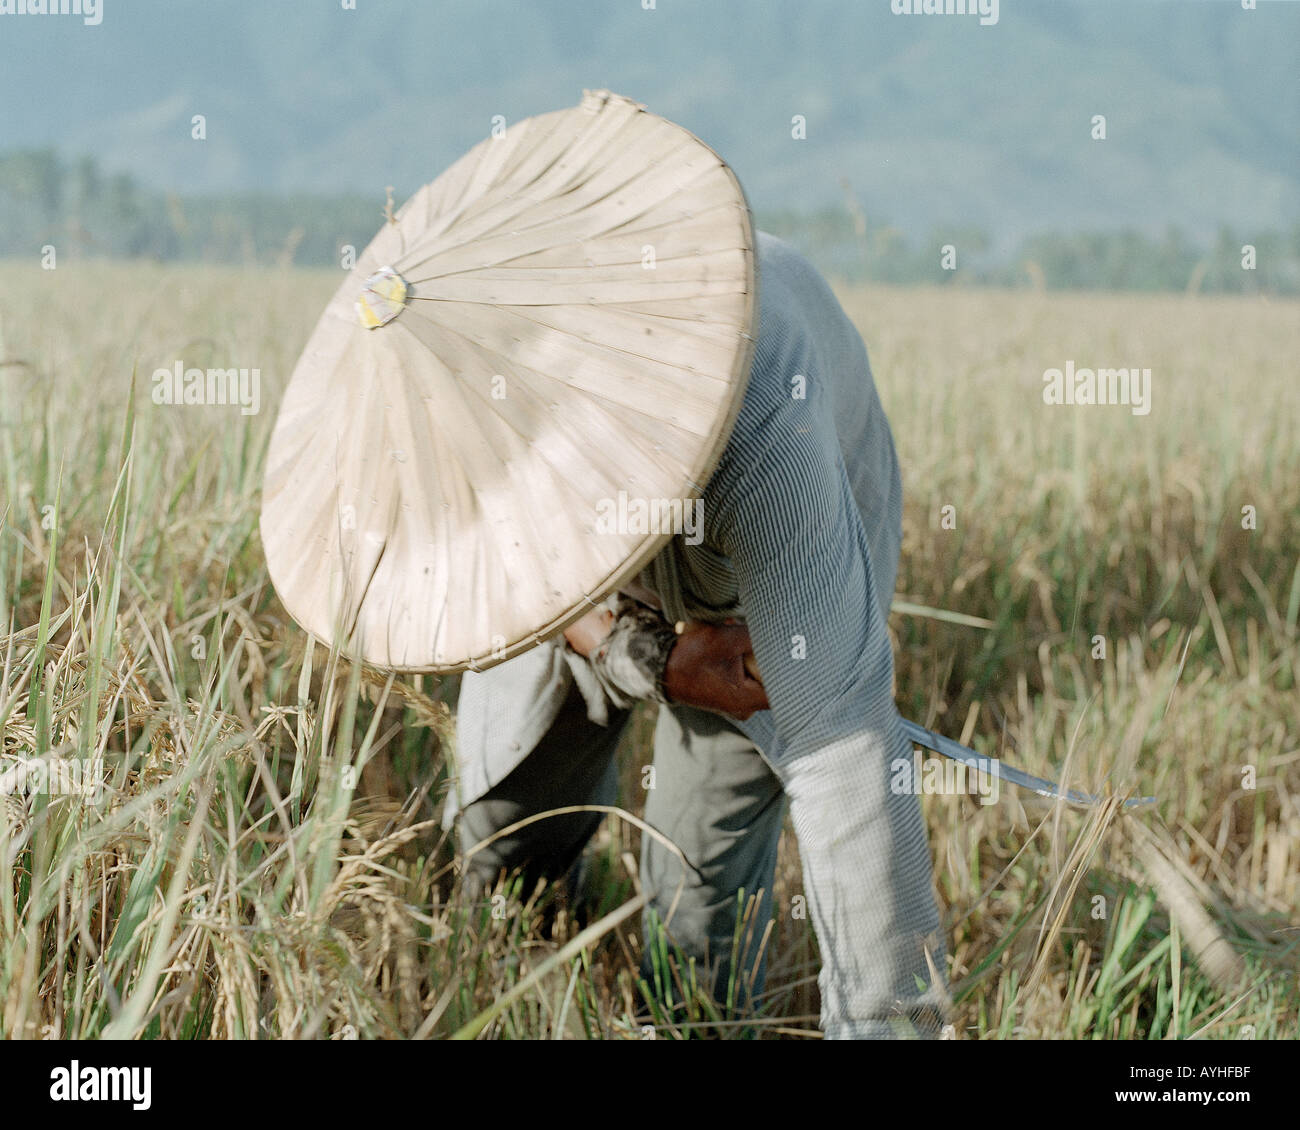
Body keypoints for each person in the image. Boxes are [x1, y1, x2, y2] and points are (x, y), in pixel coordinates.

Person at [447, 231, 949, 1039]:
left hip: (758, 577)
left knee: (697, 904)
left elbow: (846, 757)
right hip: (586, 576)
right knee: (502, 824)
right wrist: (636, 652)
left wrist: (890, 1024)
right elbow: (511, 566)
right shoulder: (484, 389)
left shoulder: (768, 429)